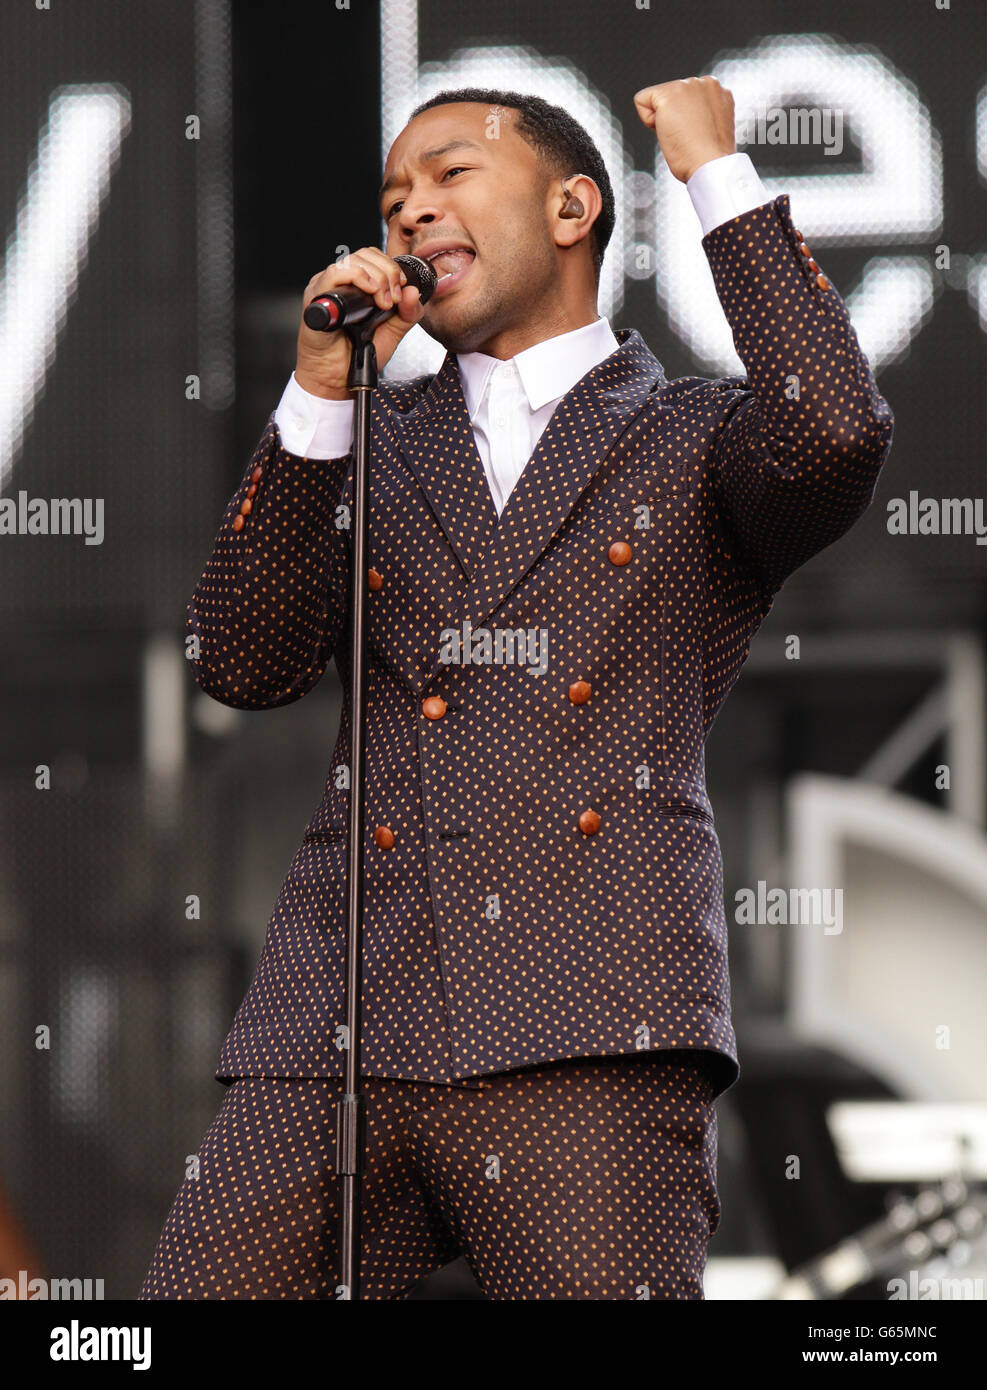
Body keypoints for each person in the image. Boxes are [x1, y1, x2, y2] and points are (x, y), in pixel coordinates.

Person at [140, 77, 893, 1300]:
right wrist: (323, 394)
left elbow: (834, 432)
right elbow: (240, 658)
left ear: (572, 208)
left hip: (590, 1015)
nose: (412, 211)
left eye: (449, 174)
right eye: (394, 199)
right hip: (343, 1018)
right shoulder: (368, 440)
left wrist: (717, 178)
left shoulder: (694, 435)